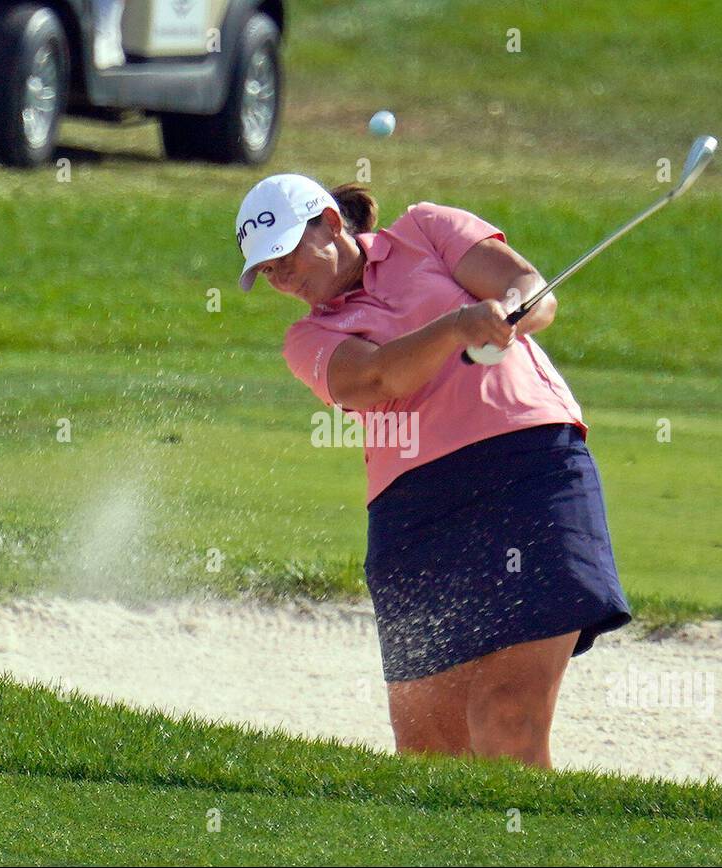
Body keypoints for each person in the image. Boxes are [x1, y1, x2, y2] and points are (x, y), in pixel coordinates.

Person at [235, 173, 631, 769]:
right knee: (428, 755)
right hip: (415, 515)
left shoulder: (426, 229)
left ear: (331, 224)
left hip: (528, 471)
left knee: (505, 717)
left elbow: (533, 291)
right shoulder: (307, 337)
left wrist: (509, 315)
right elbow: (376, 379)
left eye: (286, 252)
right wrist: (457, 328)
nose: (282, 276)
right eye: (267, 270)